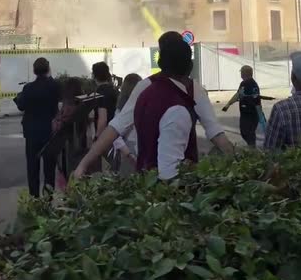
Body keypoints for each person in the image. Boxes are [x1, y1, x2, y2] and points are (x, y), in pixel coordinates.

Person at [71, 32, 237, 181]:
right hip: (183, 180)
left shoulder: (144, 87)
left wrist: (83, 164)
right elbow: (216, 133)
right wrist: (237, 164)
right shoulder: (195, 90)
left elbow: (115, 127)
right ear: (188, 64)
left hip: (147, 179)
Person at [14, 57, 60, 197]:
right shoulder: (54, 86)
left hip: (32, 133)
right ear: (48, 69)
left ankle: (34, 199)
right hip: (49, 132)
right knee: (49, 168)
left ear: (34, 71)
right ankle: (48, 198)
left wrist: (19, 96)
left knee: (33, 168)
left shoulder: (28, 88)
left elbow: (21, 105)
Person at [223, 65, 263, 147]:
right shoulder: (252, 83)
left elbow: (238, 95)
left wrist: (228, 104)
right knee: (248, 133)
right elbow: (240, 95)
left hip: (248, 113)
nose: (240, 74)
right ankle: (252, 148)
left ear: (244, 73)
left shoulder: (245, 83)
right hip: (251, 113)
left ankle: (253, 150)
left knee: (246, 132)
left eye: (241, 72)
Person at [109, 73, 141, 174]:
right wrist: (129, 154)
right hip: (129, 149)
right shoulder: (125, 108)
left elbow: (115, 134)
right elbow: (115, 134)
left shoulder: (121, 108)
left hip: (128, 150)